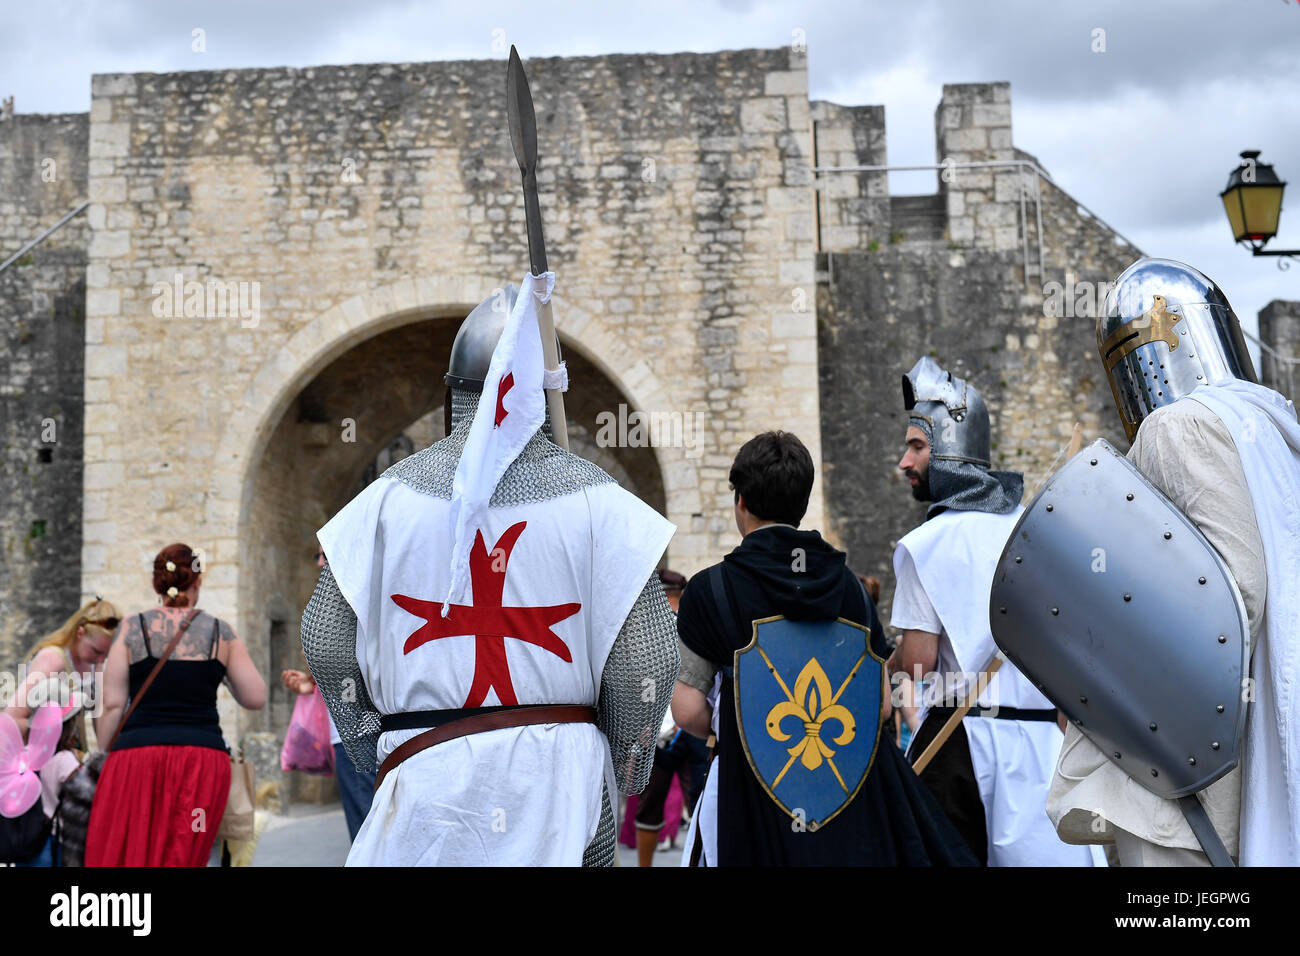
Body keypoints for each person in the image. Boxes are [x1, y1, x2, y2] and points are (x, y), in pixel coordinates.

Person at [301, 278, 679, 866]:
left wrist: (369, 743)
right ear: (543, 392)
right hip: (558, 780)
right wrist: (625, 761)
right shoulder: (601, 505)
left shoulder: (382, 503)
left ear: (455, 394)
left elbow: (325, 643)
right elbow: (643, 664)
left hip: (426, 772)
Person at [1045, 258, 1300, 866]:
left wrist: (1089, 673)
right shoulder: (1273, 426)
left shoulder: (1178, 426)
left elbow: (1228, 603)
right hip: (1261, 731)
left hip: (1189, 775)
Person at [671, 430, 977, 866]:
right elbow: (881, 706)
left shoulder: (710, 590)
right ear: (802, 503)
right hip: (842, 799)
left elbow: (686, 710)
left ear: (740, 500)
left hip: (745, 793)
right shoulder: (851, 589)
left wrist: (739, 730)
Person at [888, 357, 1098, 866]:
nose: (904, 462)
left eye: (916, 446)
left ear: (947, 449)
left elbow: (919, 659)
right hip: (1042, 746)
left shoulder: (927, 544)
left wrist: (882, 666)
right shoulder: (1041, 532)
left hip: (958, 745)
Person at [85, 543, 266, 866]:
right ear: (197, 582)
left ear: (157, 584)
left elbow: (112, 705)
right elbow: (255, 697)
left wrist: (104, 753)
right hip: (201, 760)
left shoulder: (132, 628)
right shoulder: (220, 632)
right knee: (184, 854)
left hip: (136, 759)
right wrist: (217, 673)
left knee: (131, 853)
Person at [631, 569, 710, 865]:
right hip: (691, 724)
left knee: (651, 806)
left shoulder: (644, 631)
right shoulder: (697, 624)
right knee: (700, 804)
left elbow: (637, 683)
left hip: (657, 728)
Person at [4, 597, 121, 745]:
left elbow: (102, 724)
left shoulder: (93, 665)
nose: (101, 660)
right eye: (97, 651)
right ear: (80, 633)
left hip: (68, 759)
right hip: (40, 758)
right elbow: (12, 719)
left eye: (107, 653)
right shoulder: (53, 659)